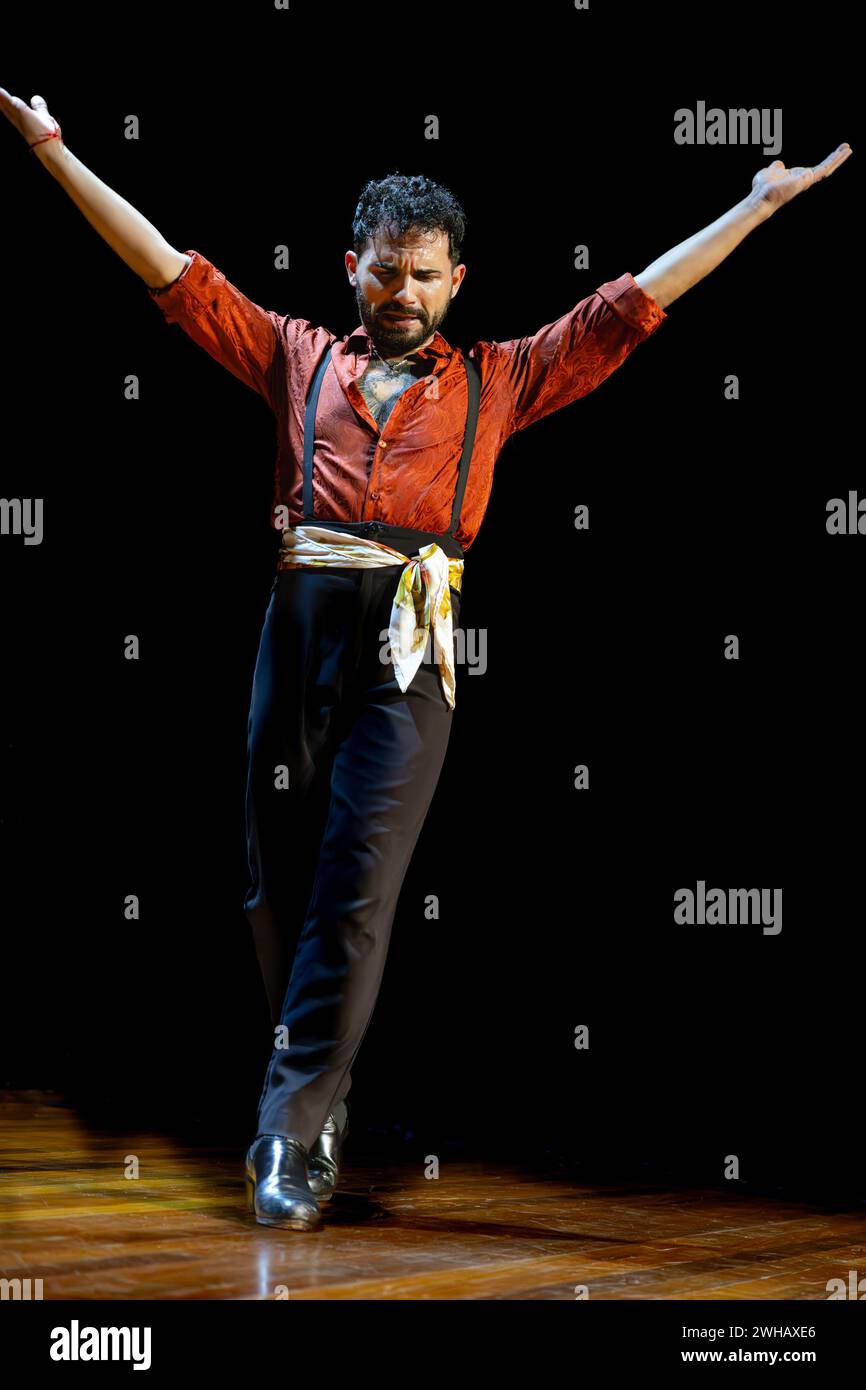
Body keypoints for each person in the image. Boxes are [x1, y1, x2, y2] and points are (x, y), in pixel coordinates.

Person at [2, 86, 851, 1233]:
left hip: (414, 638)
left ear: (456, 281)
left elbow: (627, 306)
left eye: (423, 274)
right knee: (270, 885)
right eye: (382, 270)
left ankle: (289, 1133)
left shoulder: (499, 379)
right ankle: (319, 1080)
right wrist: (55, 153)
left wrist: (749, 208)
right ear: (351, 267)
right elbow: (164, 267)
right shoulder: (292, 355)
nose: (399, 291)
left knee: (357, 893)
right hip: (298, 620)